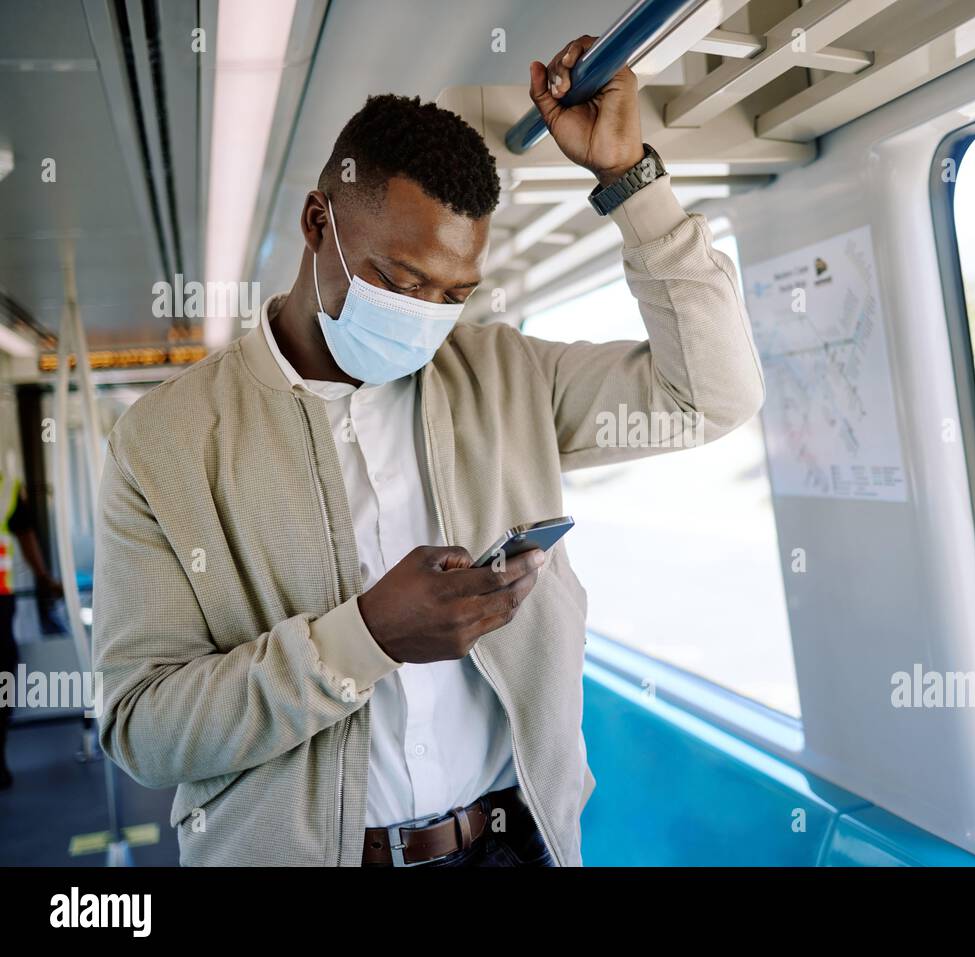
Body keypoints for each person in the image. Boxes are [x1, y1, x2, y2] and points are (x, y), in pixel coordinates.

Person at [92, 35, 764, 866]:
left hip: (512, 845)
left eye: (454, 294)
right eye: (404, 282)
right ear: (318, 223)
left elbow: (711, 394)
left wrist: (630, 184)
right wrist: (365, 637)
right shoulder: (165, 442)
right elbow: (142, 729)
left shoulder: (503, 374)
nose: (426, 314)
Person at [0, 468, 62, 790]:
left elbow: (25, 535)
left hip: (0, 599)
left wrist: (45, 579)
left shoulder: (7, 486)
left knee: (4, 676)